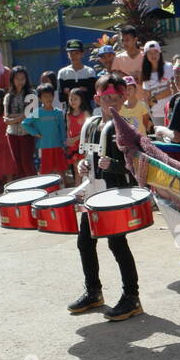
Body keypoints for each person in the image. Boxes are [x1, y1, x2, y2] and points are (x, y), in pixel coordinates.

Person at [68, 74, 143, 320]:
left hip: (114, 194)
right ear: (97, 98)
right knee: (85, 242)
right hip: (93, 193)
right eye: (105, 97)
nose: (109, 101)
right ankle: (93, 292)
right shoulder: (91, 125)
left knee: (117, 244)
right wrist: (83, 166)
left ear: (123, 97)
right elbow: (87, 157)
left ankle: (132, 297)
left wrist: (115, 166)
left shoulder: (126, 127)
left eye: (114, 97)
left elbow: (138, 166)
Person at [24, 84, 68, 178]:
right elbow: (25, 123)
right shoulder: (37, 112)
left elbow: (62, 129)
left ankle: (62, 187)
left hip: (58, 145)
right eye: (45, 96)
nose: (48, 98)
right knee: (46, 170)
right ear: (40, 99)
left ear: (53, 96)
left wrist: (64, 144)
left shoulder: (58, 112)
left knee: (60, 169)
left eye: (50, 96)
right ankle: (49, 190)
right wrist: (36, 133)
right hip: (44, 146)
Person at [4, 66, 36, 178]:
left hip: (27, 132)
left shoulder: (32, 93)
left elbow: (31, 114)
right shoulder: (8, 96)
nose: (20, 81)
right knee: (17, 163)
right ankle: (23, 189)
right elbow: (6, 116)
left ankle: (36, 187)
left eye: (23, 78)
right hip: (12, 133)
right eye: (17, 78)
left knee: (27, 162)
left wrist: (13, 119)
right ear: (12, 79)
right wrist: (21, 115)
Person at [140, 41, 175, 126]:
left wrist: (154, 97)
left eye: (155, 52)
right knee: (161, 138)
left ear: (160, 53)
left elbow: (173, 89)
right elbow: (146, 98)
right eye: (150, 53)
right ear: (146, 56)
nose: (153, 55)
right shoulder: (145, 73)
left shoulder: (169, 67)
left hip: (171, 110)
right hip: (156, 113)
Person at [56, 38, 97, 105]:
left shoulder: (90, 72)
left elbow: (92, 95)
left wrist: (69, 91)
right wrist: (83, 90)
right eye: (71, 53)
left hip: (86, 111)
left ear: (82, 54)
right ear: (67, 55)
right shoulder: (62, 72)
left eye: (76, 53)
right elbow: (61, 97)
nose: (73, 56)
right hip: (70, 112)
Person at [66, 86, 93, 179]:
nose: (72, 101)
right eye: (71, 99)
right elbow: (68, 128)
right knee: (76, 169)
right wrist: (68, 139)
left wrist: (75, 139)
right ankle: (78, 192)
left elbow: (87, 130)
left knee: (86, 168)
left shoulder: (85, 113)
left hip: (83, 144)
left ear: (81, 99)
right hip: (73, 146)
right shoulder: (68, 114)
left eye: (75, 99)